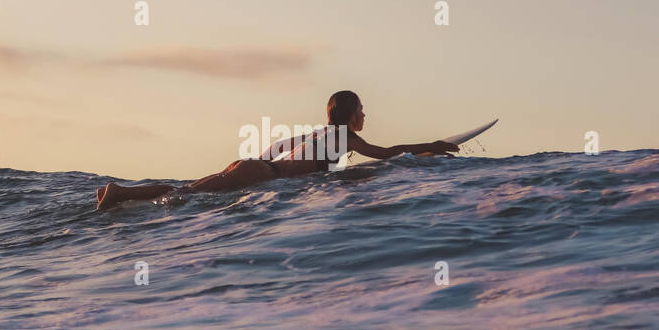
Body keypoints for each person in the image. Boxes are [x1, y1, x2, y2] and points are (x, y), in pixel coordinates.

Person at [95, 90, 459, 209]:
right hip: (261, 173)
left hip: (254, 166)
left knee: (185, 191)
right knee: (183, 195)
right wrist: (432, 146)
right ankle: (118, 193)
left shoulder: (320, 134)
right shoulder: (344, 137)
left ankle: (117, 195)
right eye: (361, 110)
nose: (365, 114)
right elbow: (386, 153)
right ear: (350, 115)